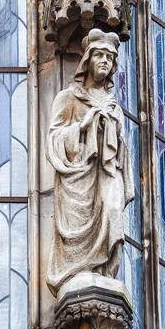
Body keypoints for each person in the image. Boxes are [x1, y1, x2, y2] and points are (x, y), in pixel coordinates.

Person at [46, 27, 134, 296]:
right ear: (88, 60)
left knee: (111, 208)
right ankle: (77, 271)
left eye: (110, 58)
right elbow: (54, 138)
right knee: (86, 217)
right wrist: (82, 126)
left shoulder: (113, 105)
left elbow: (122, 152)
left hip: (107, 173)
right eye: (100, 56)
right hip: (78, 178)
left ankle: (104, 271)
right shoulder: (69, 98)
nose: (105, 62)